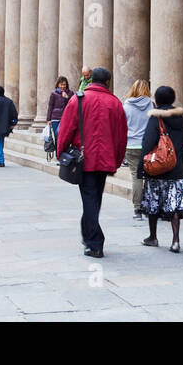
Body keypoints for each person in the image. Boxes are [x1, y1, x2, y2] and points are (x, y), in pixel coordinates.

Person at [54, 66, 126, 258]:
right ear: (107, 82)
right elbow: (121, 136)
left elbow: (66, 128)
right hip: (104, 159)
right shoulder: (115, 103)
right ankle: (89, 236)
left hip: (84, 159)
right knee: (94, 198)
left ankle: (95, 242)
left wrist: (60, 151)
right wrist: (117, 160)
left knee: (89, 198)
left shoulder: (78, 99)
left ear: (91, 80)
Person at [138, 86, 183, 252]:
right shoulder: (180, 118)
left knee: (154, 201)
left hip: (157, 167)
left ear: (157, 100)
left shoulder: (156, 116)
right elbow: (182, 144)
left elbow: (148, 142)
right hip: (175, 167)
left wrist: (141, 167)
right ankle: (175, 240)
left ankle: (153, 237)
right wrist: (181, 167)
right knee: (174, 203)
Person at [122, 80, 153, 218]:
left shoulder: (126, 105)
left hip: (131, 145)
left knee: (136, 176)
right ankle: (150, 206)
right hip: (147, 145)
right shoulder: (151, 105)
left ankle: (137, 209)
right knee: (150, 176)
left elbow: (122, 126)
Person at [45, 76, 71, 143]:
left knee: (63, 137)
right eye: (61, 84)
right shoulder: (54, 94)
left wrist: (67, 97)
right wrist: (48, 119)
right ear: (58, 84)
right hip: (55, 118)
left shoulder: (70, 93)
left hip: (65, 118)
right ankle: (58, 153)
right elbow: (50, 106)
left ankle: (62, 152)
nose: (63, 86)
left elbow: (72, 105)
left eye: (64, 84)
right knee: (57, 137)